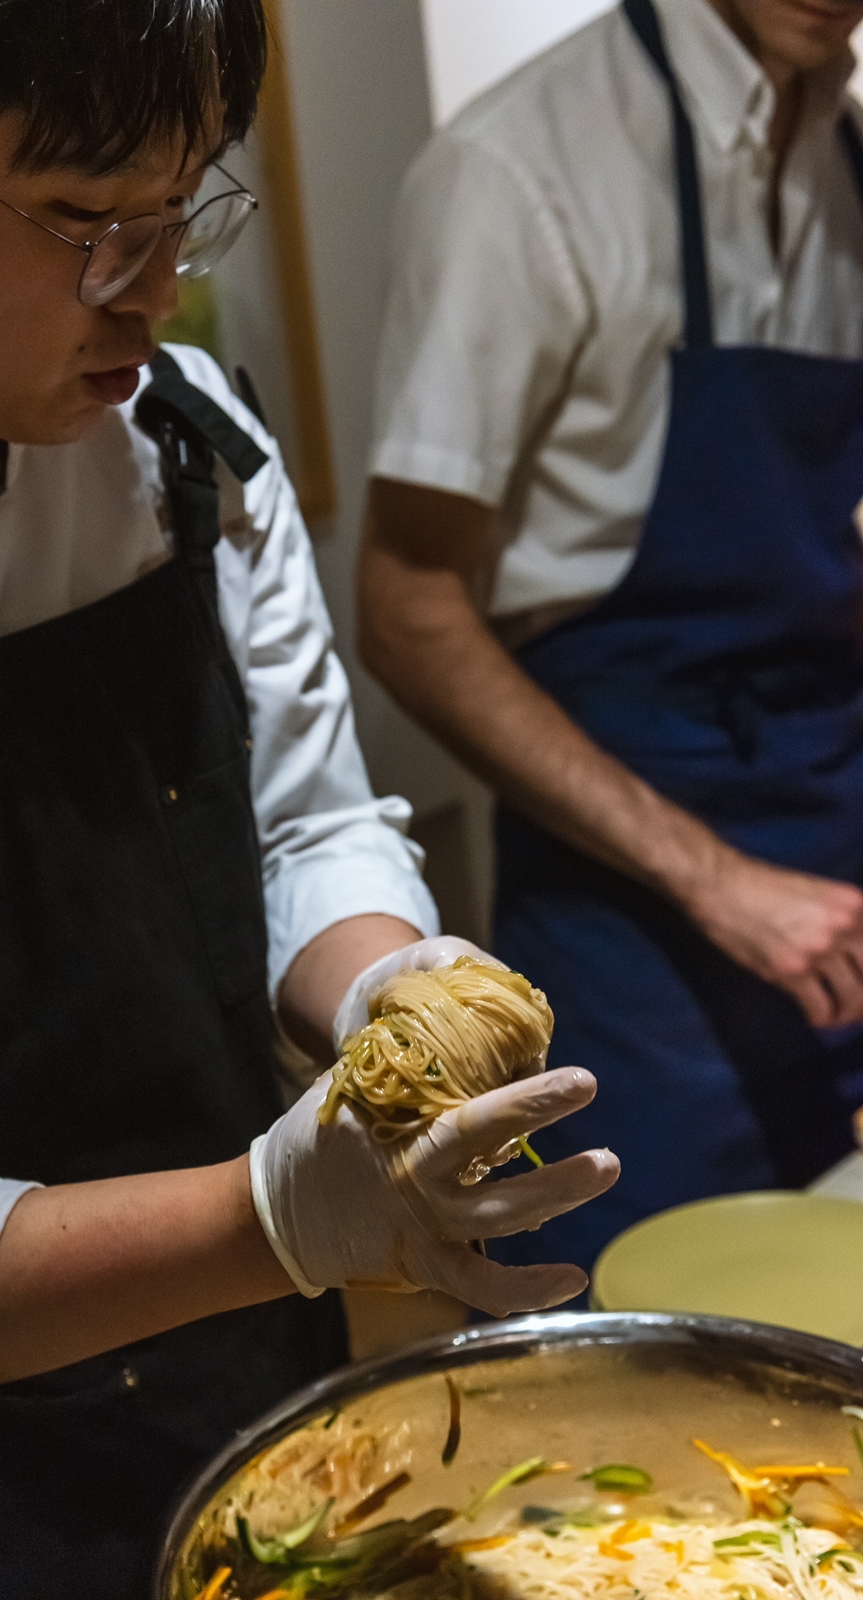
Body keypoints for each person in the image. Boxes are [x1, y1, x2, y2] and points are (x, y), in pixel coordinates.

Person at [0, 1, 621, 1596]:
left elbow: (301, 827)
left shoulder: (182, 441)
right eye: (91, 223)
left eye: (185, 209)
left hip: (254, 1377)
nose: (156, 291)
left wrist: (399, 982)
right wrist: (268, 1218)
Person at [361, 0, 863, 1286]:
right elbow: (409, 605)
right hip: (630, 928)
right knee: (633, 1363)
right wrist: (714, 877)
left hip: (832, 852)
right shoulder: (520, 173)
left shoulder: (845, 158)